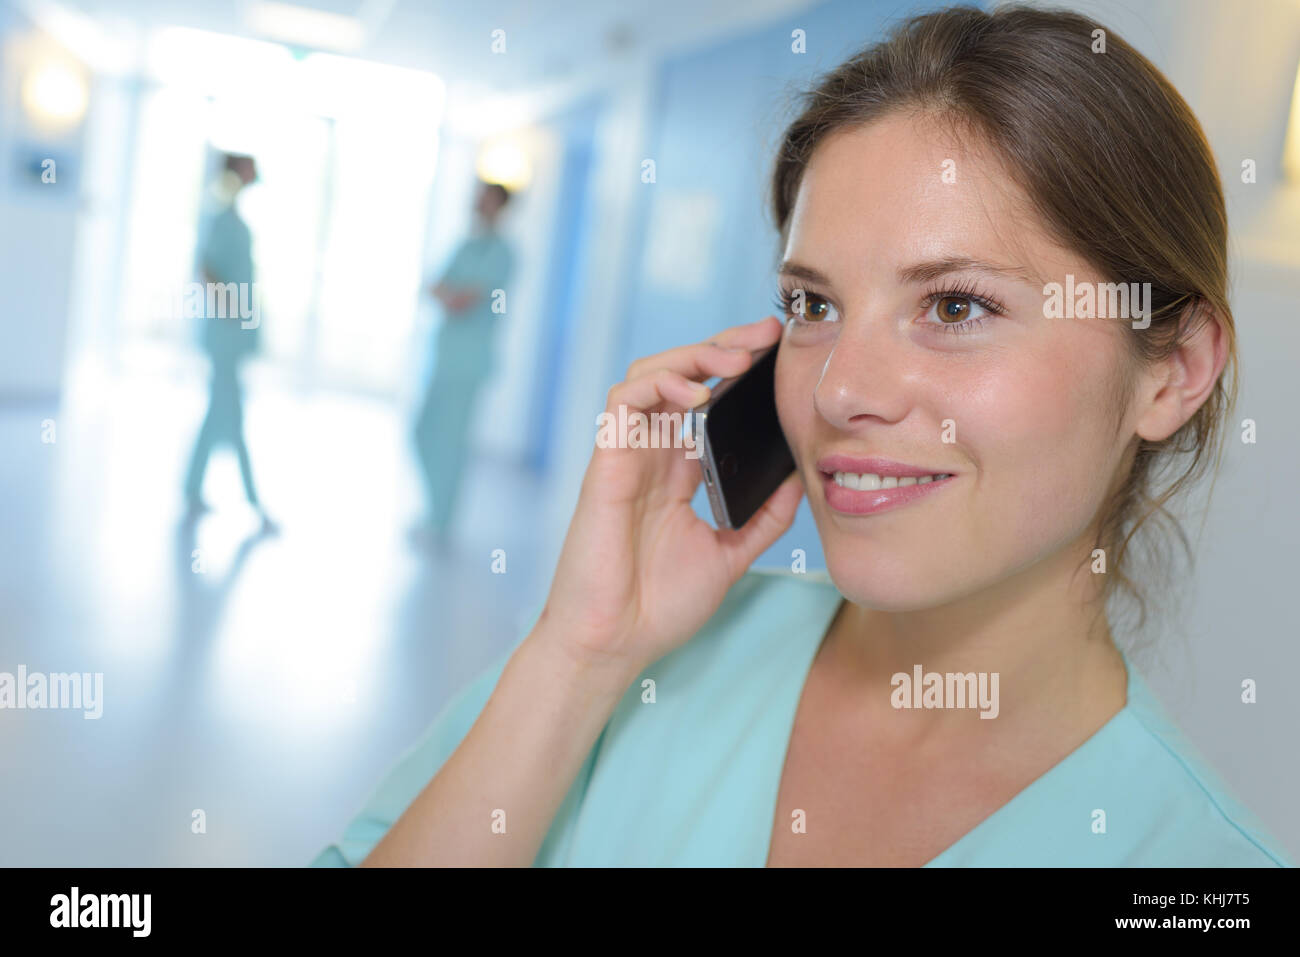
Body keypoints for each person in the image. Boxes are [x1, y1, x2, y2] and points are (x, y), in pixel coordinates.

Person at [312, 6, 1293, 866]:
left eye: (955, 306)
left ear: (1172, 372)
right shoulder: (634, 665)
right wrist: (582, 654)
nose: (838, 388)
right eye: (811, 303)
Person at [411, 180, 516, 548]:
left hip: (470, 361)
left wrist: (452, 294)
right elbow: (436, 288)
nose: (478, 203)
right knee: (423, 431)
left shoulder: (502, 253)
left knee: (452, 442)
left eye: (486, 199)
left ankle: (441, 523)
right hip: (445, 354)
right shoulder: (466, 245)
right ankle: (432, 510)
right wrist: (452, 293)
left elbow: (459, 300)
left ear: (501, 206)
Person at [183, 153, 272, 530]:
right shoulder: (222, 217)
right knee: (230, 417)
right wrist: (231, 308)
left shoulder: (233, 218)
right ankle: (253, 502)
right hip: (225, 332)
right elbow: (207, 268)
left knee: (220, 414)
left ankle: (193, 489)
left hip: (233, 334)